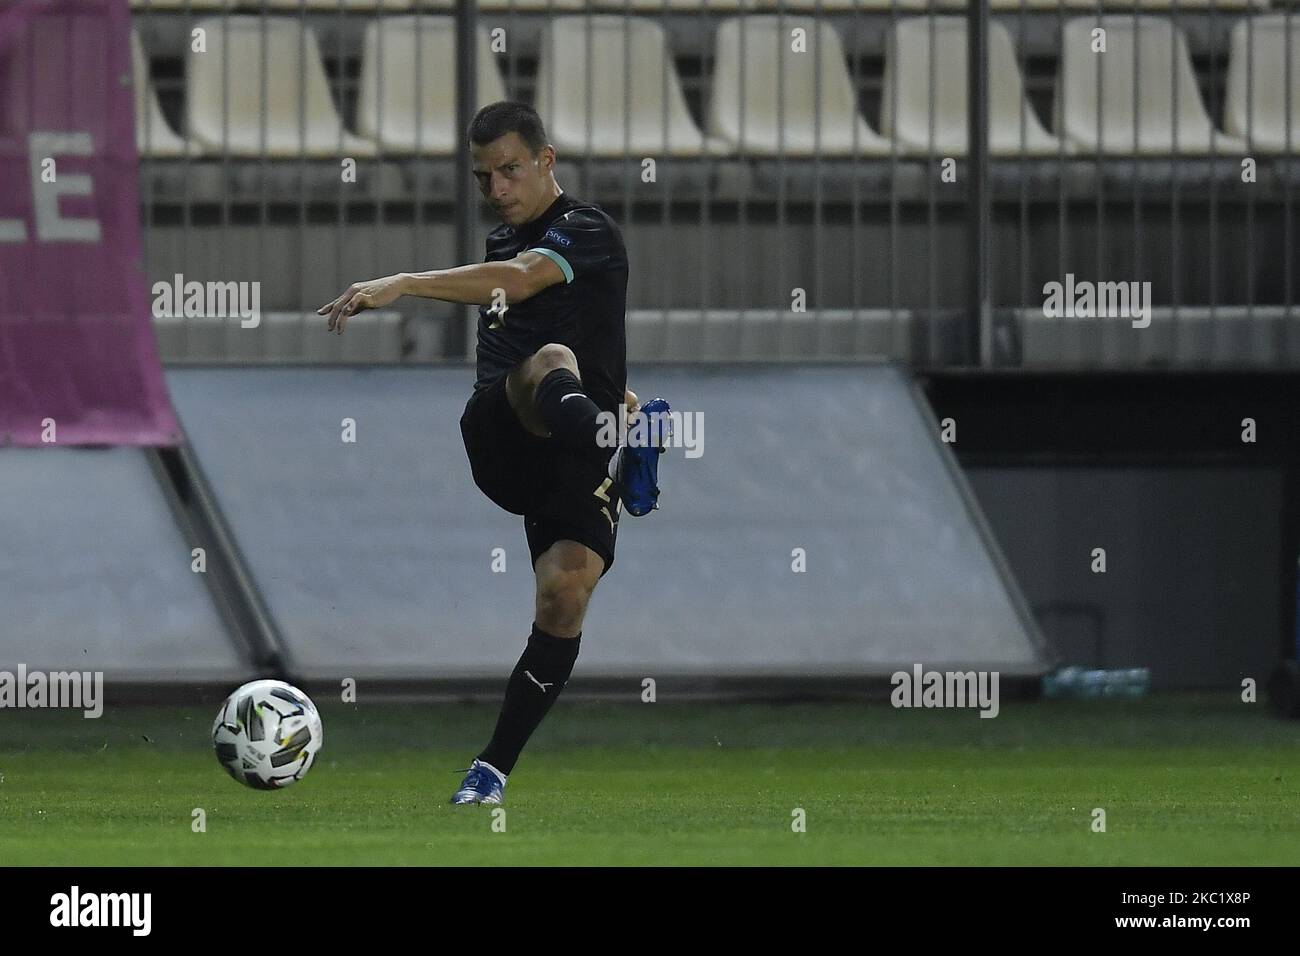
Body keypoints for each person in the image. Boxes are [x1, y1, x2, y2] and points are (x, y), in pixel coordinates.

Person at [317, 101, 670, 806]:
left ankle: (489, 774)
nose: (498, 189)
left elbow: (542, 293)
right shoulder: (505, 253)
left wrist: (616, 393)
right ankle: (616, 443)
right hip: (501, 435)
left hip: (565, 447)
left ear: (547, 160)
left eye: (509, 170)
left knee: (564, 596)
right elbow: (525, 299)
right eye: (484, 177)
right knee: (550, 359)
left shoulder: (587, 229)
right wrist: (412, 284)